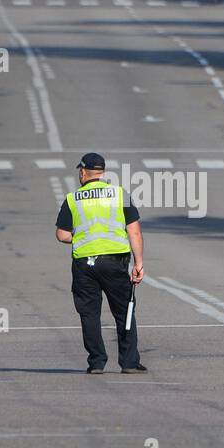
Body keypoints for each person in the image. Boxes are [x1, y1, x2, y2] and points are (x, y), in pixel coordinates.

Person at [54, 152, 147, 374]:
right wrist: (139, 263)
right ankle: (129, 362)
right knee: (124, 311)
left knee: (89, 313)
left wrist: (83, 237)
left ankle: (96, 362)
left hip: (85, 264)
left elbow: (61, 234)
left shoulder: (72, 199)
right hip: (115, 262)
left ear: (83, 172)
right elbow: (134, 232)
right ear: (102, 172)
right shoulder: (120, 194)